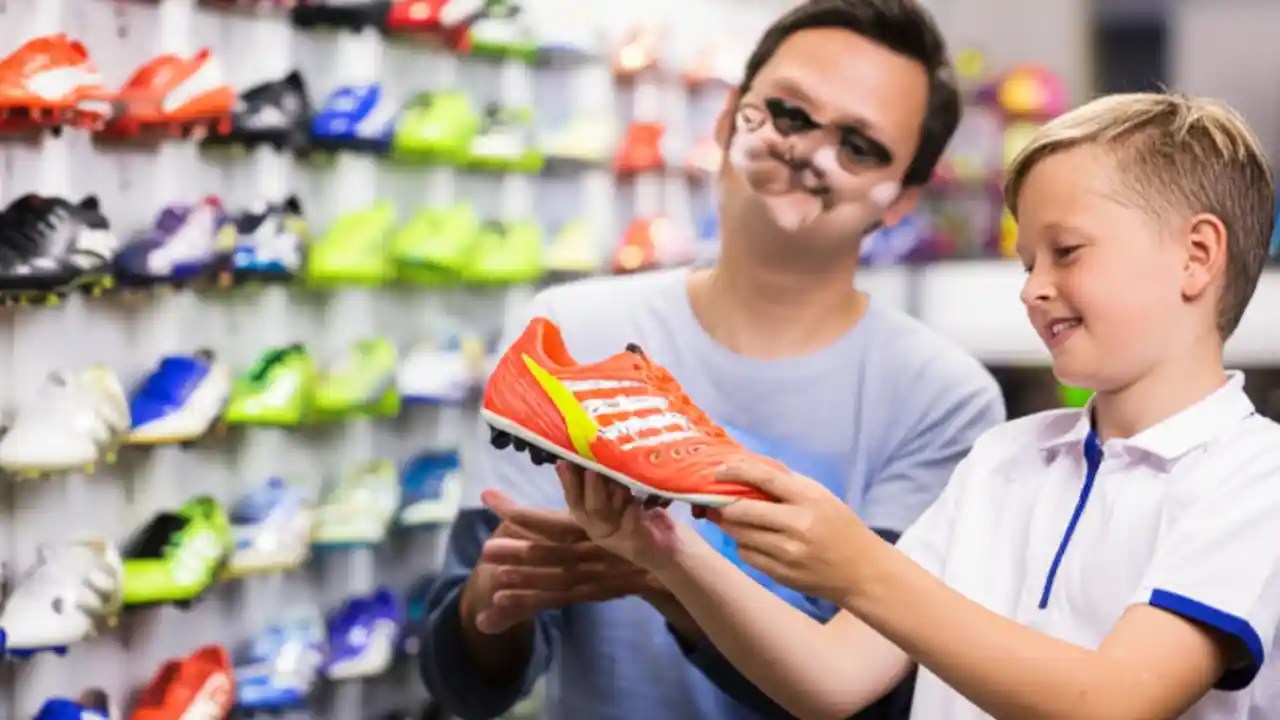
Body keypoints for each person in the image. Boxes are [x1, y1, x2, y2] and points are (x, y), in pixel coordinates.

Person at [539, 91, 1280, 719]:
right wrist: (671, 553)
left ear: (1196, 256)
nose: (1032, 289)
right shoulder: (1003, 458)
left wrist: (859, 567)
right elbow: (833, 679)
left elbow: (1110, 703)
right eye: (1028, 262)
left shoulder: (1256, 479)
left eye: (1067, 251)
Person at [417, 1, 1006, 718]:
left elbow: (877, 696)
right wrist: (494, 602)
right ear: (729, 119)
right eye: (787, 113)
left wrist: (668, 577)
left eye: (858, 145)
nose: (807, 151)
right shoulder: (571, 332)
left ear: (901, 200)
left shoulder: (943, 399)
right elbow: (462, 679)